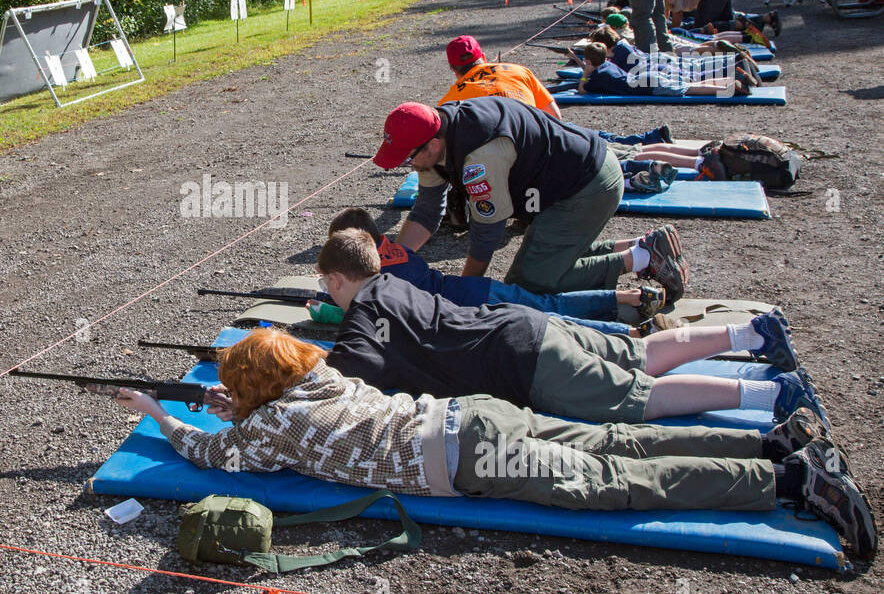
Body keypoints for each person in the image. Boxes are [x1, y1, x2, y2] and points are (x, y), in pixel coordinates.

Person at [117, 327, 877, 555]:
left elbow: (213, 453)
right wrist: (239, 402)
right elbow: (276, 416)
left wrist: (159, 412)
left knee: (613, 485)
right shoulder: (324, 382)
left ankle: (788, 485)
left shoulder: (268, 425)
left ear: (251, 393)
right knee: (618, 443)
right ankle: (774, 448)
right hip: (475, 415)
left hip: (469, 458)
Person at [316, 228, 827, 429]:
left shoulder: (360, 322)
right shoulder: (395, 283)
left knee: (639, 397)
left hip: (524, 363)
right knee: (640, 354)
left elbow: (336, 378)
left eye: (328, 286)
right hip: (525, 326)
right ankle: (754, 333)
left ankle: (773, 394)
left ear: (338, 279)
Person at [375, 98, 690, 298]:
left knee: (531, 283)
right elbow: (428, 210)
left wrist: (463, 291)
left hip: (587, 186)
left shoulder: (481, 157)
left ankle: (646, 258)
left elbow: (487, 233)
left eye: (408, 158)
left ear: (431, 145)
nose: (408, 165)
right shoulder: (440, 135)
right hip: (570, 178)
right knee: (544, 260)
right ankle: (645, 245)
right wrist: (391, 262)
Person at [326, 207, 674, 336]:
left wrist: (328, 309)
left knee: (551, 323)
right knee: (550, 306)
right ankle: (624, 297)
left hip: (476, 307)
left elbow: (366, 315)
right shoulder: (397, 251)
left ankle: (623, 332)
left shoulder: (378, 274)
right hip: (477, 289)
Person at [439, 35, 562, 118]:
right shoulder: (520, 71)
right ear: (483, 57)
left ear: (453, 69)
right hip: (535, 145)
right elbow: (555, 116)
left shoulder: (448, 103)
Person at [578, 42, 750, 98]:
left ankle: (731, 88)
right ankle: (730, 80)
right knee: (693, 81)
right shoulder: (608, 65)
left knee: (691, 88)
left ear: (588, 61)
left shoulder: (599, 76)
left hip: (647, 84)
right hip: (649, 76)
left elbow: (582, 90)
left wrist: (585, 74)